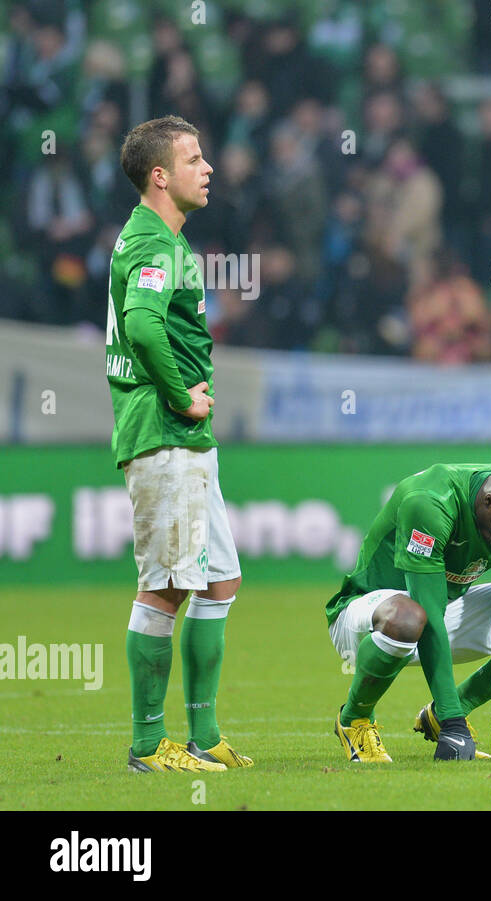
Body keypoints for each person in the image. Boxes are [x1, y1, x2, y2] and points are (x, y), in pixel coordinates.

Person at [108, 115, 252, 772]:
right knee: (165, 587)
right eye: (195, 158)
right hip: (166, 432)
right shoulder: (152, 244)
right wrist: (179, 395)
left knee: (219, 581)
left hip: (189, 439)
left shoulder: (166, 241)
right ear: (160, 175)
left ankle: (204, 733)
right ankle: (146, 745)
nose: (209, 167)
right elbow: (140, 325)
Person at [327, 464, 491, 761]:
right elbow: (428, 611)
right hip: (369, 618)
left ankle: (444, 713)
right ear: (490, 501)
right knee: (410, 616)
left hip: (440, 614)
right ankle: (354, 719)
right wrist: (456, 726)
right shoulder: (429, 503)